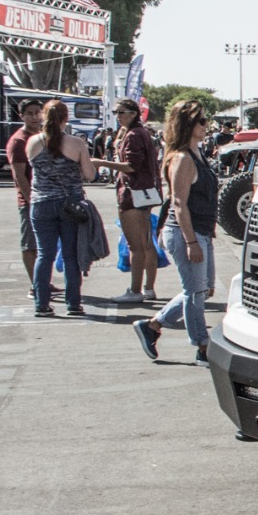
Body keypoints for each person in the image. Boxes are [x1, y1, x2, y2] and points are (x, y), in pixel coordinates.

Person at [134, 100, 219, 366]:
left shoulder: (198, 153)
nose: (207, 126)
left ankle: (153, 325)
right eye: (202, 121)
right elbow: (179, 203)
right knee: (195, 292)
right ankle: (202, 347)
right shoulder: (182, 158)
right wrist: (191, 240)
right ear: (187, 125)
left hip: (202, 231)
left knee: (203, 290)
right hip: (184, 232)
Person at [26, 100, 96, 317]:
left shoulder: (33, 142)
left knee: (44, 255)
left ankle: (41, 303)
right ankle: (73, 304)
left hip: (40, 203)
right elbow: (90, 175)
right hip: (70, 204)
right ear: (66, 118)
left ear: (43, 117)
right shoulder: (76, 143)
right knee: (70, 255)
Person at [93, 98, 161, 303]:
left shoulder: (133, 135)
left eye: (122, 112)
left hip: (133, 194)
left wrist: (101, 162)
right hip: (144, 193)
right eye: (116, 112)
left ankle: (135, 290)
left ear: (133, 113)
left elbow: (132, 166)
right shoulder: (142, 133)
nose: (118, 116)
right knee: (147, 244)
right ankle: (147, 288)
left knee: (137, 246)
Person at [6, 98, 58, 303]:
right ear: (21, 116)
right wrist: (31, 200)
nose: (35, 117)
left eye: (39, 112)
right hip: (31, 201)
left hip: (46, 197)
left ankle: (43, 281)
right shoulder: (19, 141)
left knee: (44, 246)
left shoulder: (43, 137)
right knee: (30, 245)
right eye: (30, 113)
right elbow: (19, 175)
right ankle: (35, 285)